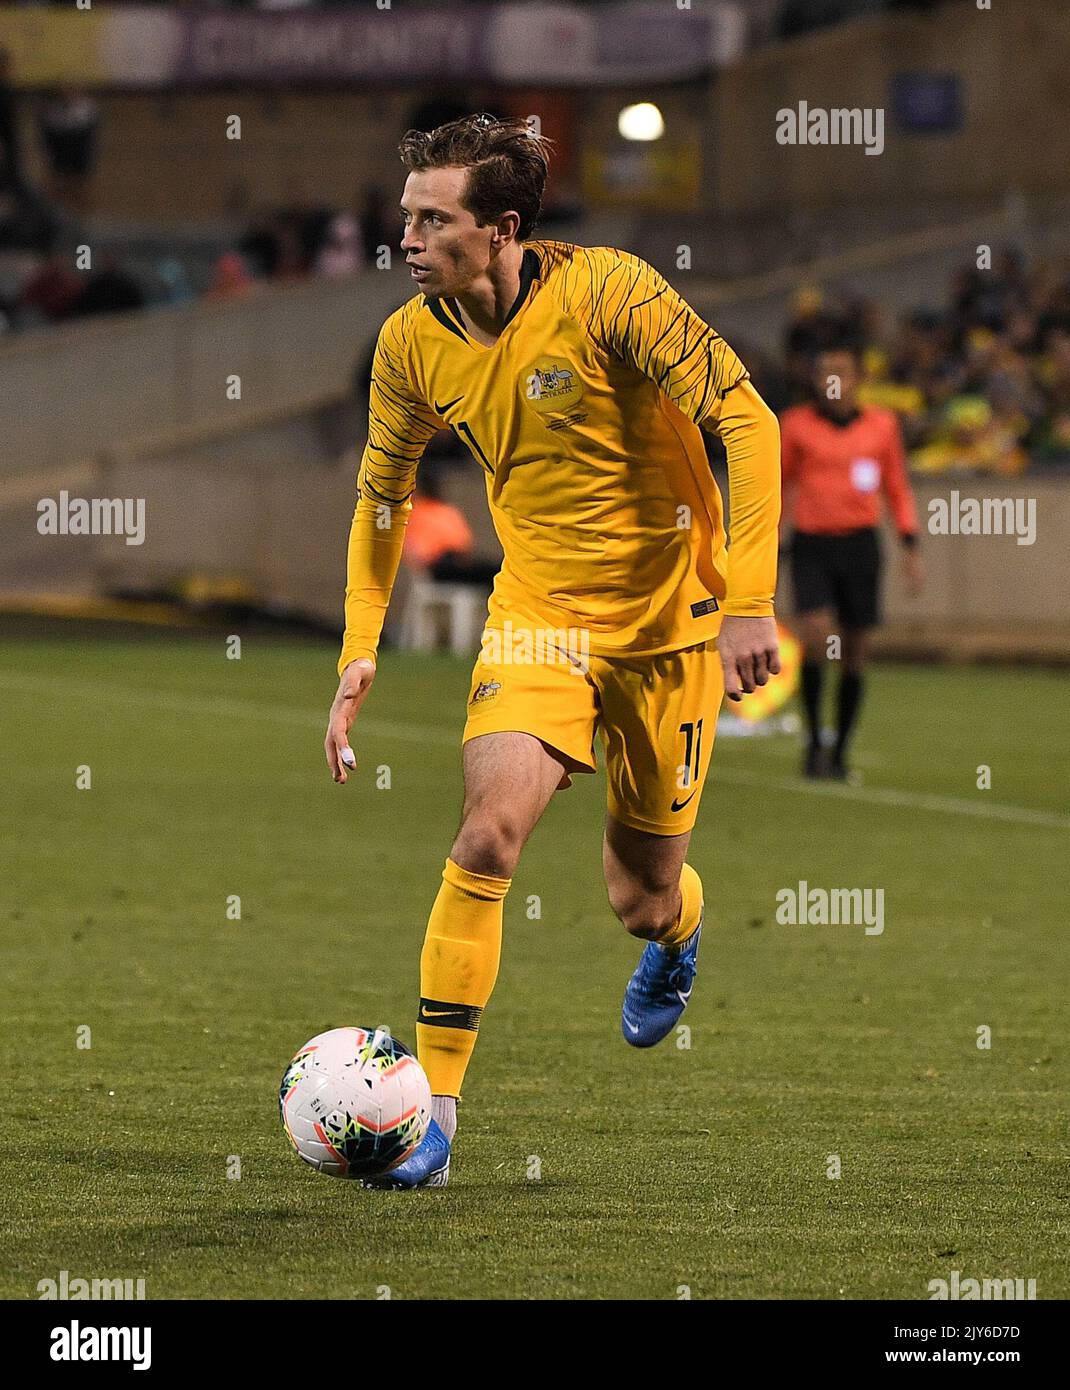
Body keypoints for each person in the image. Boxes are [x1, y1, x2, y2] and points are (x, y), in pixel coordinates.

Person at [324, 114, 781, 1187]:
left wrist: (751, 603)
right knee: (486, 832)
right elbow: (380, 495)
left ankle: (681, 927)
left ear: (500, 229)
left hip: (668, 629)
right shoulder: (409, 344)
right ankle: (432, 1123)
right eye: (406, 216)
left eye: (433, 220)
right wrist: (359, 645)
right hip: (535, 619)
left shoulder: (610, 293)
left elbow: (747, 419)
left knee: (640, 895)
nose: (408, 236)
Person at [780, 339, 923, 781]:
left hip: (861, 546)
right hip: (812, 545)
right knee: (818, 636)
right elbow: (776, 483)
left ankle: (840, 751)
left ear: (859, 380)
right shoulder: (796, 425)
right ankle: (813, 744)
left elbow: (896, 484)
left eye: (843, 372)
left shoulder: (881, 426)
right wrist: (770, 538)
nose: (835, 381)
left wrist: (909, 543)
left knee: (856, 651)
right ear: (817, 380)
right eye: (827, 372)